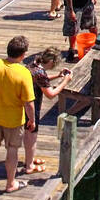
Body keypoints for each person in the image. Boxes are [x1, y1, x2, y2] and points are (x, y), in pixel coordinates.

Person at [0, 35, 35, 192]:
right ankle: (11, 183)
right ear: (23, 55)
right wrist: (32, 120)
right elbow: (29, 103)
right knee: (12, 150)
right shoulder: (23, 73)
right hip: (14, 120)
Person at [22, 47, 70, 176]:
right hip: (32, 105)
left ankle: (29, 159)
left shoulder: (32, 64)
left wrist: (58, 76)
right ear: (51, 62)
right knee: (32, 135)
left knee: (28, 133)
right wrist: (65, 81)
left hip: (23, 103)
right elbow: (50, 94)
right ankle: (29, 166)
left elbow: (41, 80)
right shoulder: (40, 73)